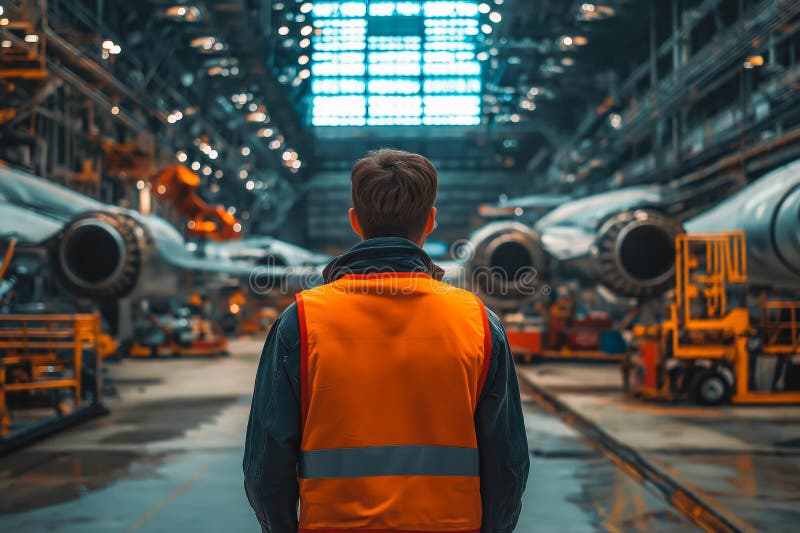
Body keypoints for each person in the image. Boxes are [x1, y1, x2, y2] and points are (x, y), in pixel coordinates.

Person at [244, 149, 529, 532]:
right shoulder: (478, 323)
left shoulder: (300, 323)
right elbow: (507, 467)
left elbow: (266, 470)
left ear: (355, 221)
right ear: (430, 221)